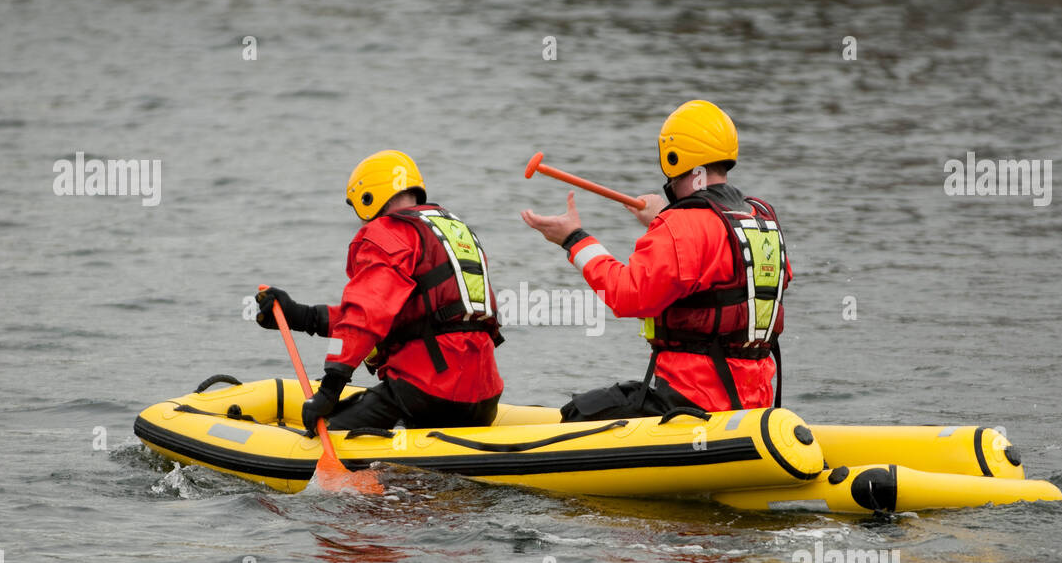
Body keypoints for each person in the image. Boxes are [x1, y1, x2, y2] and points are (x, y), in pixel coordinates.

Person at [521, 100, 792, 421]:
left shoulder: (682, 225)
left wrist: (574, 239)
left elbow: (627, 296)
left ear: (673, 157)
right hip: (754, 404)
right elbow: (718, 266)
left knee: (578, 413)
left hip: (694, 402)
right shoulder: (762, 216)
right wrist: (664, 217)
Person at [256, 150, 504, 433]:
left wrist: (330, 388)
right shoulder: (454, 230)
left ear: (368, 198)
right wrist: (300, 316)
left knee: (326, 430)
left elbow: (366, 316)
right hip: (483, 399)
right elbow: (402, 317)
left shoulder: (388, 234)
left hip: (426, 394)